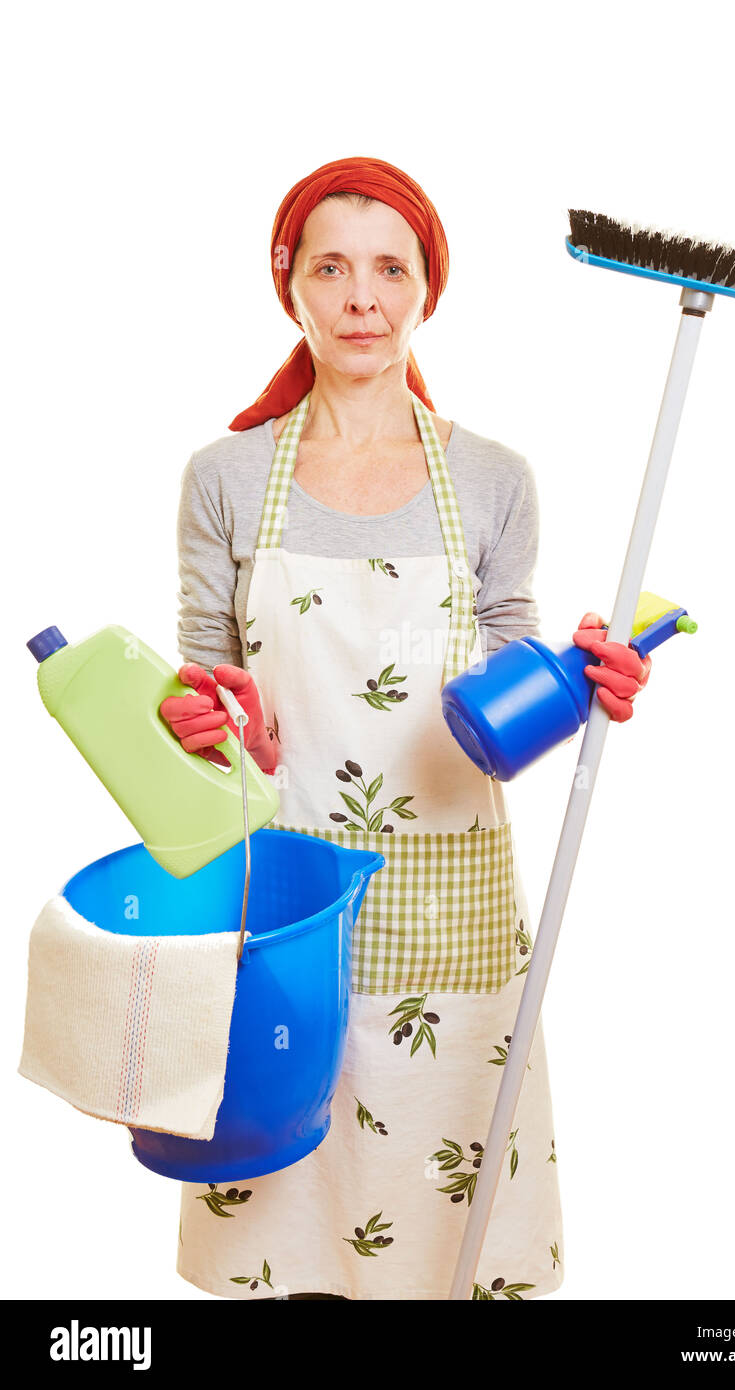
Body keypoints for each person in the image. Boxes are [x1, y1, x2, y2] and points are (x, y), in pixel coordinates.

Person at [161, 155, 651, 1301]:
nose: (361, 298)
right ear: (289, 283)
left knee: (445, 1238)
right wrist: (205, 722)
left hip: (450, 917)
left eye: (390, 268)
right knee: (288, 1237)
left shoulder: (490, 479)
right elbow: (202, 681)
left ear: (428, 286)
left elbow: (502, 709)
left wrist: (574, 682)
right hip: (281, 901)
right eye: (330, 267)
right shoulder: (226, 476)